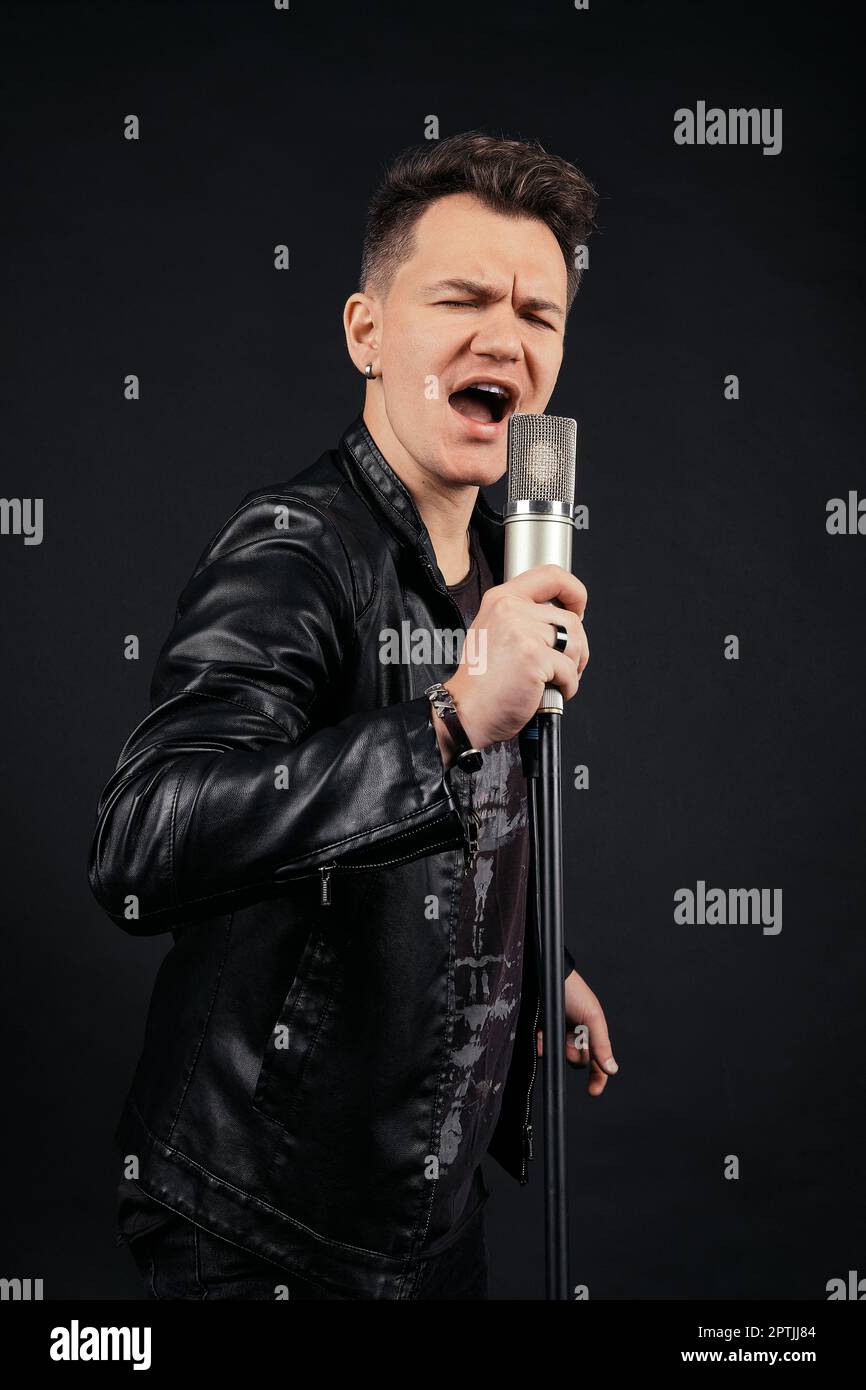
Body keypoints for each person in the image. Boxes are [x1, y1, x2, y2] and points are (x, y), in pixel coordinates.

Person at [88, 130, 619, 1301]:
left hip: (427, 1218)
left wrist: (539, 968)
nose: (505, 336)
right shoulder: (293, 554)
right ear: (366, 333)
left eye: (539, 312)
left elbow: (454, 834)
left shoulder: (500, 565)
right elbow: (141, 837)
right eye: (463, 298)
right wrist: (441, 719)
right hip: (264, 1228)